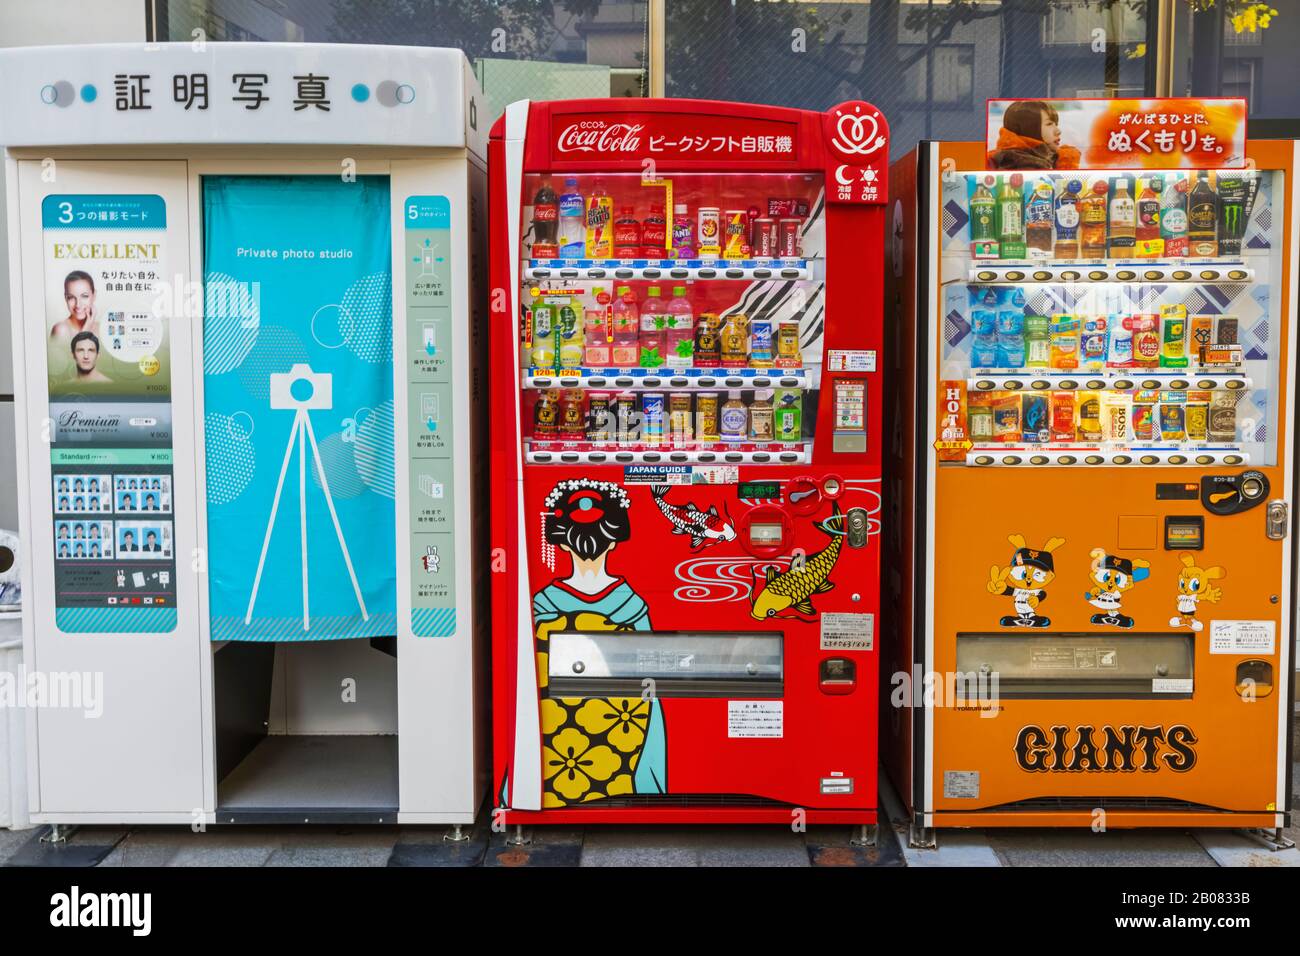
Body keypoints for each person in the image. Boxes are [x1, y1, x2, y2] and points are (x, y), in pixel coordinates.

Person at [528, 479, 665, 807]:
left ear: (560, 543)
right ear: (615, 541)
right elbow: (654, 692)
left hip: (557, 764)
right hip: (619, 760)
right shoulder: (632, 605)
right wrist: (651, 778)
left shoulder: (543, 604)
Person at [988, 100, 1081, 171]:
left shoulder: (1035, 157)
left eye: (1055, 124)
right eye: (1049, 124)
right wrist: (1066, 166)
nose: (1058, 131)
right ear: (1028, 128)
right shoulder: (1025, 164)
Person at [50, 271, 98, 342]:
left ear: (94, 295)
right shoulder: (61, 330)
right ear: (65, 298)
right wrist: (86, 329)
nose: (78, 304)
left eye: (84, 296)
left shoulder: (102, 328)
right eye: (71, 297)